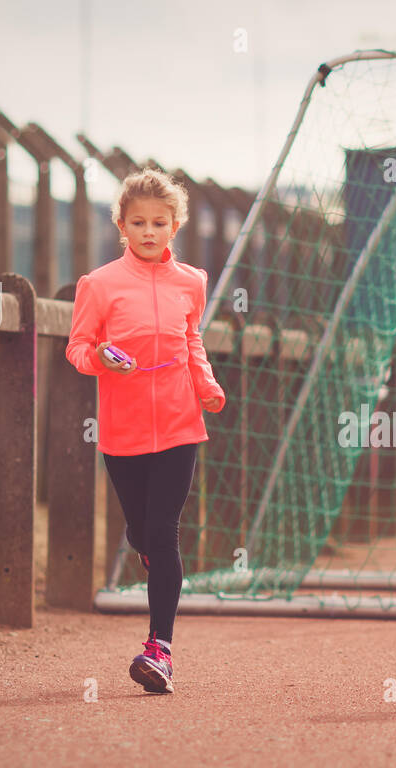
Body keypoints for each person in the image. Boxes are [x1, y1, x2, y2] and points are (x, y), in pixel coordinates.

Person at [65, 168, 226, 694]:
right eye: (139, 222)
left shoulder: (192, 282)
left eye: (159, 222)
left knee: (164, 530)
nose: (150, 232)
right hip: (123, 429)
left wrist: (206, 384)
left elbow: (192, 339)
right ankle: (158, 566)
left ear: (175, 226)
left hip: (181, 423)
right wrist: (102, 359)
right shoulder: (100, 284)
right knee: (140, 533)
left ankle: (160, 649)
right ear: (122, 226)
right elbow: (78, 349)